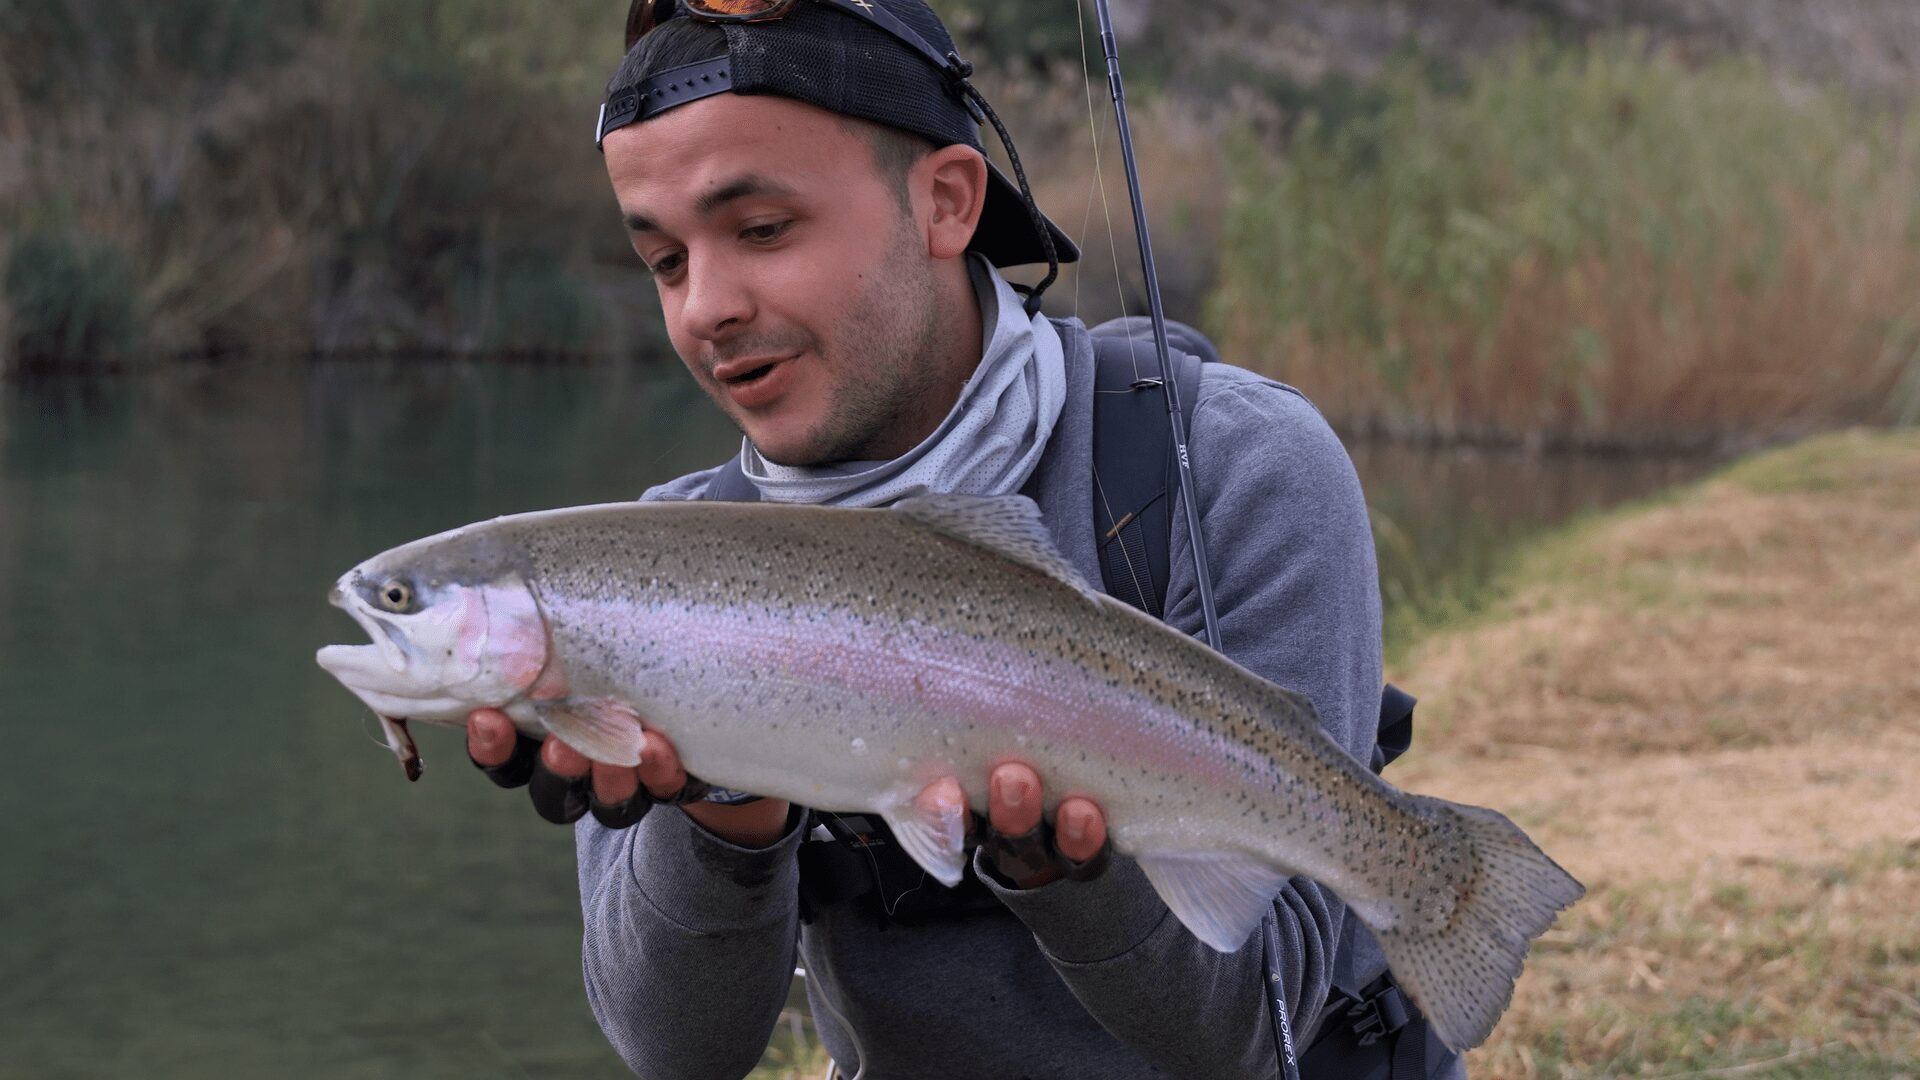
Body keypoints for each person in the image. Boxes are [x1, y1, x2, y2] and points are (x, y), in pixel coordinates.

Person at [466, 1, 1458, 1076]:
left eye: (762, 230)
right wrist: (722, 813)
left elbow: (1255, 1033)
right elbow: (679, 1056)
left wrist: (1064, 874)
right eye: (665, 261)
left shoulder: (1235, 464)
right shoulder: (653, 572)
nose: (706, 307)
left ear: (946, 202)